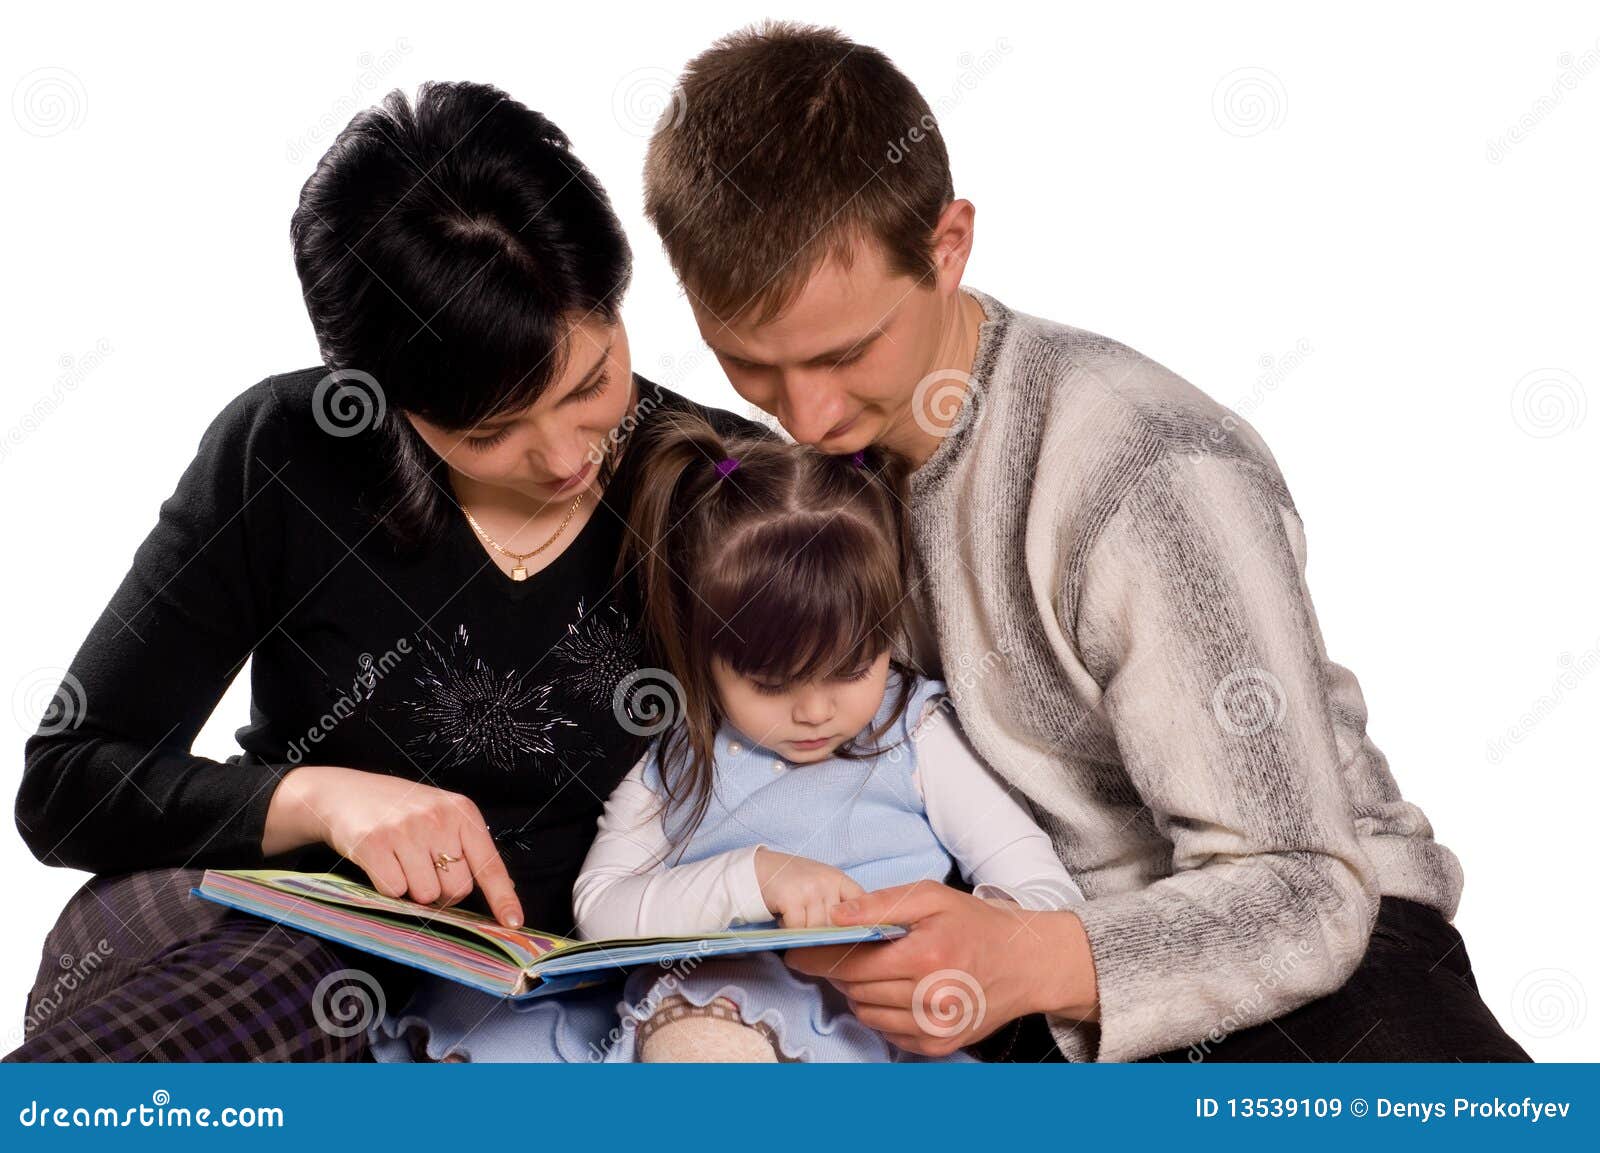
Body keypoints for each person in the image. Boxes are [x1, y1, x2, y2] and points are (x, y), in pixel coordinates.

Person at [631, 21, 1531, 1062]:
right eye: (749, 365)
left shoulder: (1143, 468)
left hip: (1310, 971)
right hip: (1022, 987)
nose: (807, 414)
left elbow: (1303, 890)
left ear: (947, 246)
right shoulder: (799, 483)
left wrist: (1028, 960)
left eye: (845, 354)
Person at [7, 80, 763, 1061]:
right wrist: (321, 799)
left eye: (590, 383)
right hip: (259, 928)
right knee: (285, 987)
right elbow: (68, 782)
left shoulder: (730, 486)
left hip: (539, 999)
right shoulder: (290, 447)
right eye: (489, 430)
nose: (564, 456)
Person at [370, 412, 1082, 1062]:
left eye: (850, 668)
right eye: (771, 684)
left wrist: (982, 934)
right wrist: (753, 877)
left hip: (869, 1030)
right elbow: (600, 911)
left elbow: (1045, 888)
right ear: (703, 652)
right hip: (698, 1010)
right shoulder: (680, 755)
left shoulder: (917, 732)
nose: (815, 711)